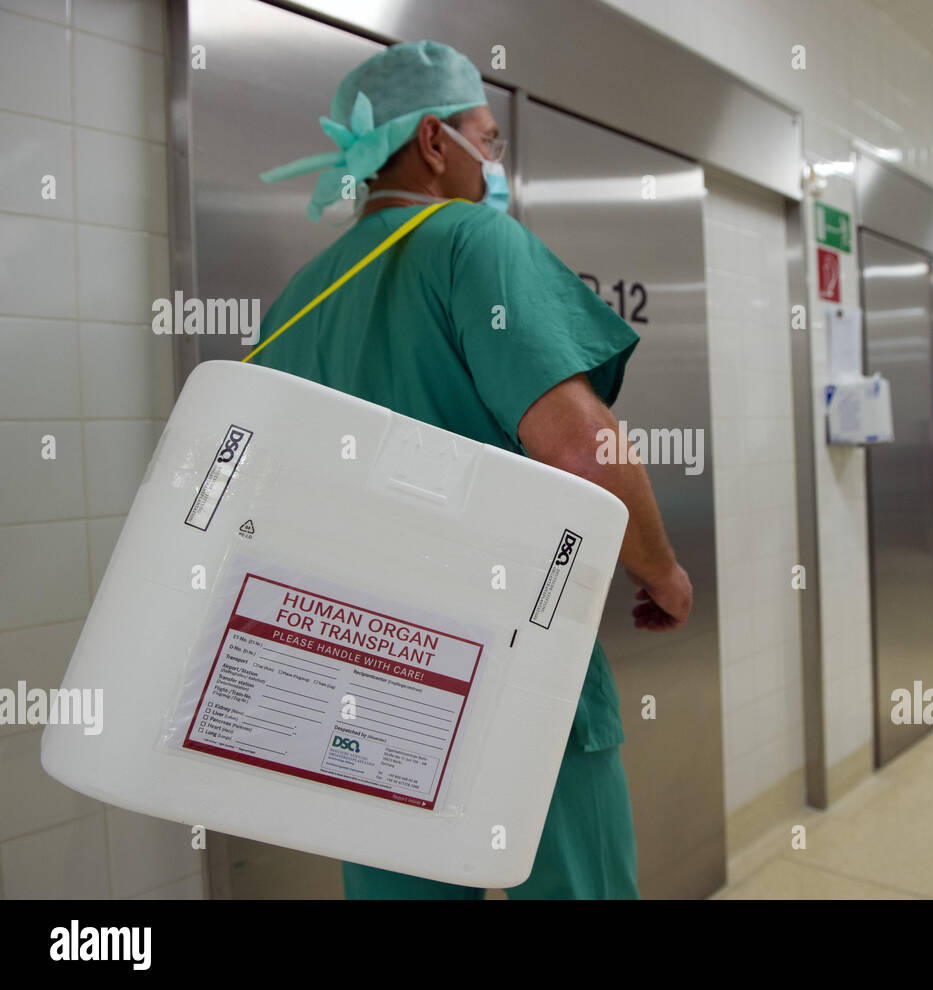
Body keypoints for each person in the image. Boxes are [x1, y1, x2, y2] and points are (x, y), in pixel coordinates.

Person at [251, 40, 692, 899]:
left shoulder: (294, 302)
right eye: (488, 141)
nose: (494, 165)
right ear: (432, 142)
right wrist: (662, 572)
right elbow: (579, 449)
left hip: (362, 679)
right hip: (514, 659)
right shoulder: (471, 243)